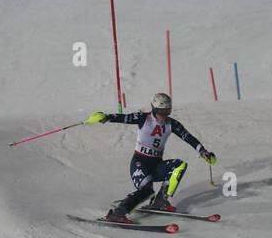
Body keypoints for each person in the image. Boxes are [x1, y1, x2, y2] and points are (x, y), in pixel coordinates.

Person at [85, 92, 217, 224]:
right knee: (147, 191)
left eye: (167, 112)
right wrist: (105, 117)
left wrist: (203, 152)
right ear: (154, 109)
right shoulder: (144, 118)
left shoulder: (172, 124)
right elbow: (124, 117)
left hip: (156, 166)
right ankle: (117, 213)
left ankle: (160, 201)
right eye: (161, 111)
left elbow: (188, 137)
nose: (163, 116)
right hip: (140, 163)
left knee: (179, 165)